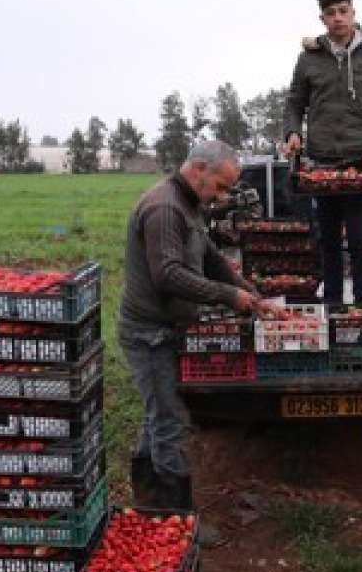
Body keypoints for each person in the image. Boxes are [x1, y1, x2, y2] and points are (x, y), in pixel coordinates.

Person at [118, 140, 283, 545]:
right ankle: (178, 521)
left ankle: (151, 502)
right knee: (169, 421)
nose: (223, 197)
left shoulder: (188, 203)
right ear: (197, 169)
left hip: (166, 328)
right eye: (221, 187)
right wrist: (230, 298)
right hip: (149, 334)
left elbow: (210, 258)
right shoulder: (165, 209)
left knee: (157, 413)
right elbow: (169, 275)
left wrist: (249, 294)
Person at [282, 0, 362, 306]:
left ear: (353, 12)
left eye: (343, 11)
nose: (338, 18)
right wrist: (292, 133)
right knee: (329, 241)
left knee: (361, 241)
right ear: (322, 18)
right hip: (320, 164)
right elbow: (294, 104)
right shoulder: (308, 59)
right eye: (331, 13)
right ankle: (333, 305)